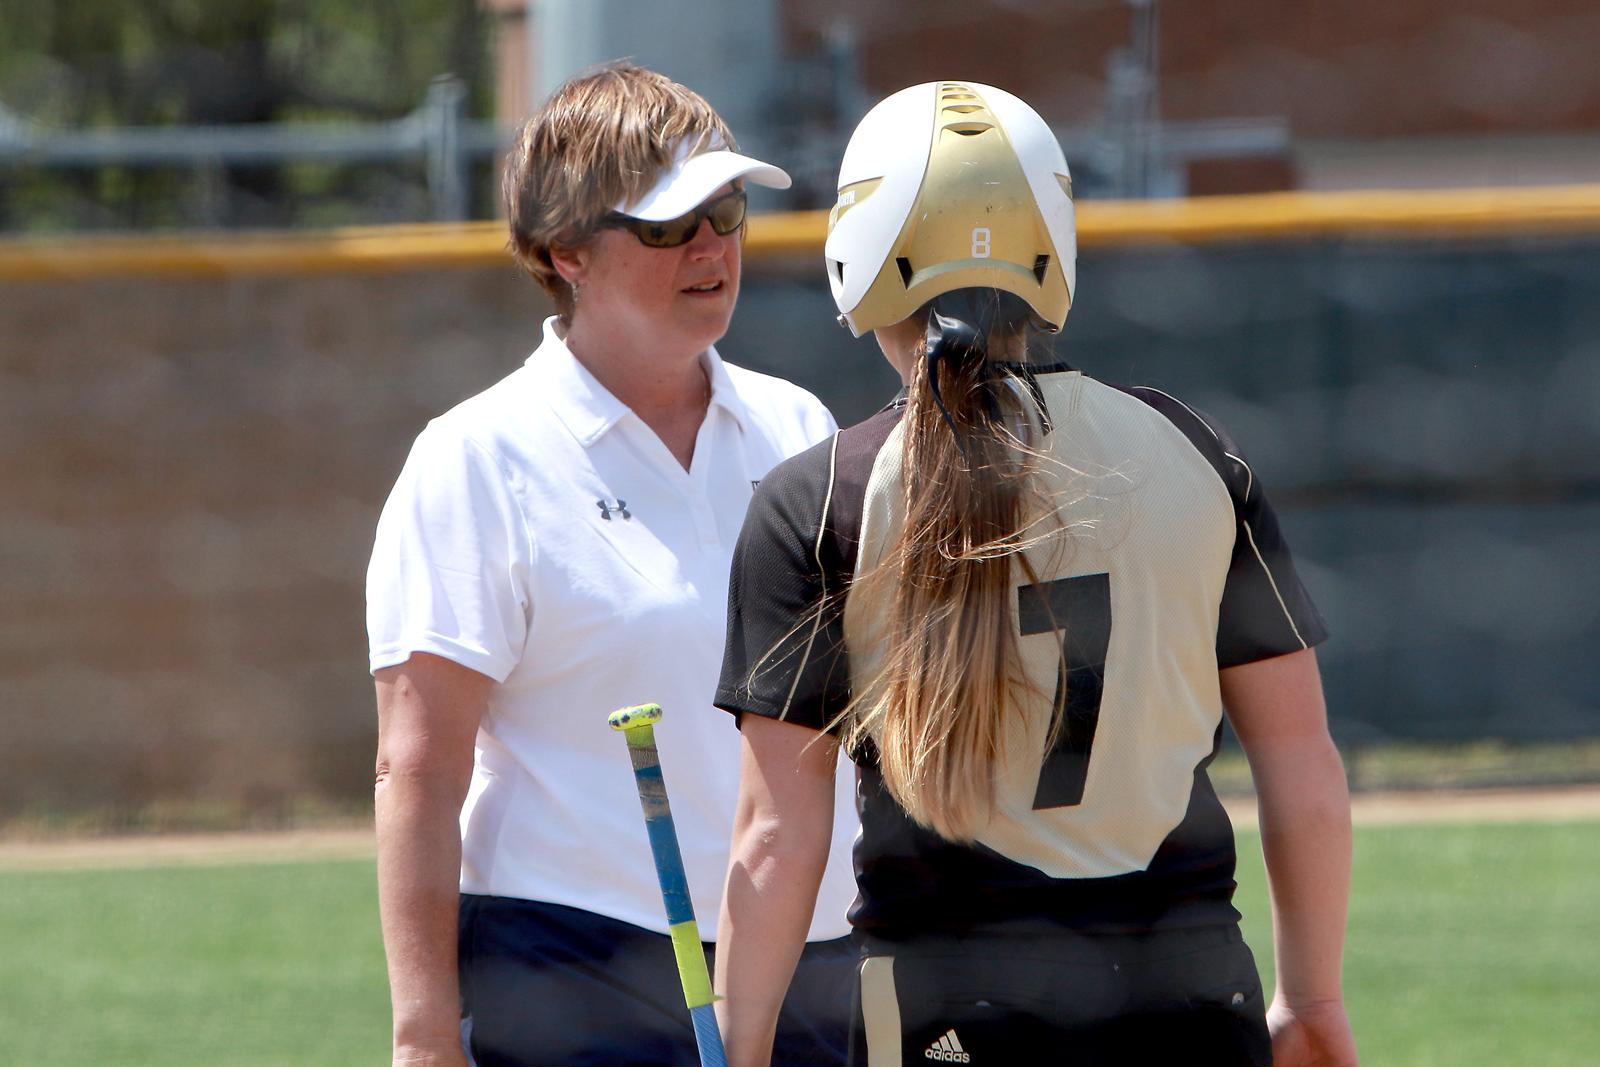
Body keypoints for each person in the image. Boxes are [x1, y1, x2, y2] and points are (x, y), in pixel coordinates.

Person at [712, 80, 1358, 1067]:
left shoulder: (819, 500)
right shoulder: (1193, 451)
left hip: (944, 1012)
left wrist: (739, 1046)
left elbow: (775, 838)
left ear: (863, 244)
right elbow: (1302, 764)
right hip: (1186, 992)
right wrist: (1309, 997)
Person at [366, 63, 859, 1067]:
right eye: (671, 223)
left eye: (725, 208)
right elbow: (416, 765)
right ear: (566, 250)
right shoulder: (477, 456)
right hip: (575, 965)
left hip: (810, 954)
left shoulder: (797, 426)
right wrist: (424, 1036)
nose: (714, 243)